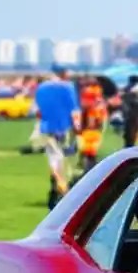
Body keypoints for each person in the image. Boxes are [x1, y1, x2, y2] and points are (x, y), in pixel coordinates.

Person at [34, 66, 81, 208]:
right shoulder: (68, 87)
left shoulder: (41, 88)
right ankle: (65, 194)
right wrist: (78, 128)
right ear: (63, 74)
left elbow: (37, 111)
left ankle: (55, 191)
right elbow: (74, 110)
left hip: (47, 128)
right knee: (66, 162)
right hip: (65, 127)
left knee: (54, 160)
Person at [120, 74, 138, 147]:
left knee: (130, 133)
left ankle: (130, 145)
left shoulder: (127, 88)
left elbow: (123, 99)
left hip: (131, 114)